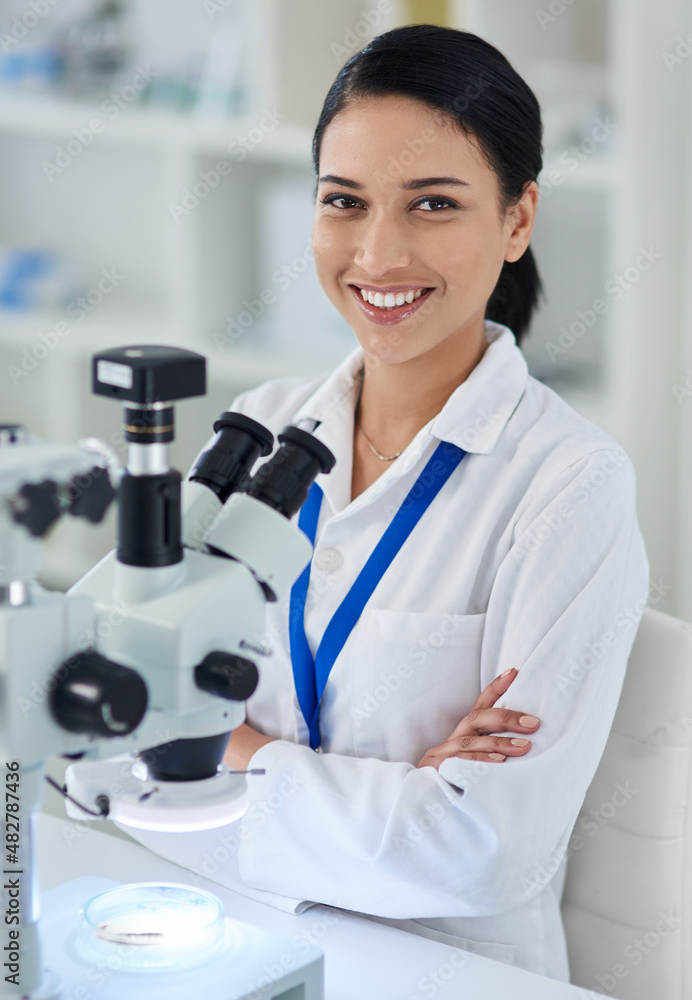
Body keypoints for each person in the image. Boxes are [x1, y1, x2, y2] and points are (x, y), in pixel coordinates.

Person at [130, 25, 649, 982]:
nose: (378, 252)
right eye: (345, 202)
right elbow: (127, 741)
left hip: (446, 972)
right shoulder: (257, 428)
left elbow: (484, 852)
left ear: (518, 218)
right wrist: (397, 791)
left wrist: (239, 749)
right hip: (227, 942)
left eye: (434, 204)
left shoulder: (569, 484)